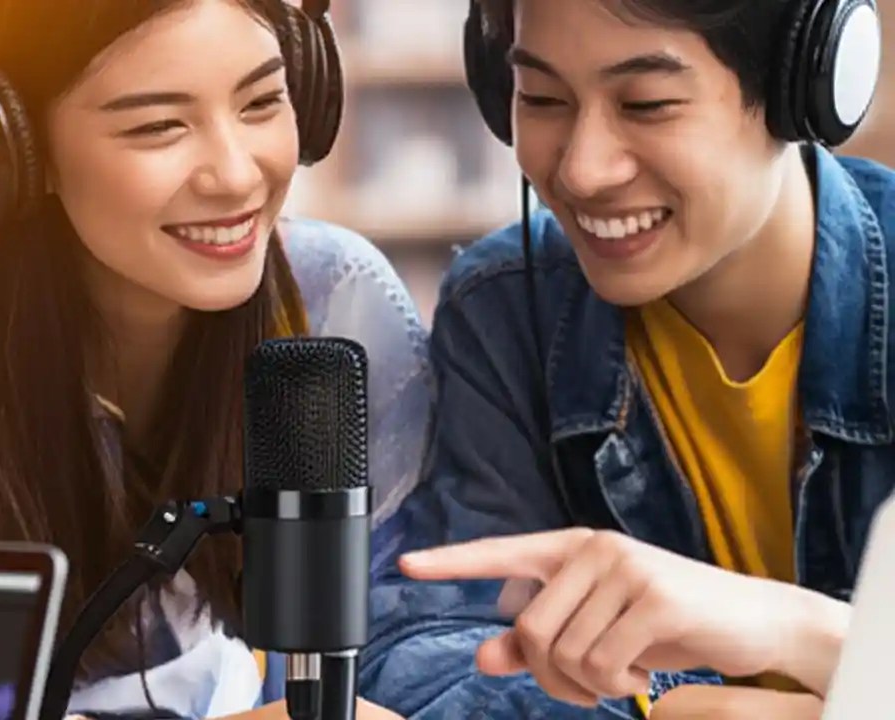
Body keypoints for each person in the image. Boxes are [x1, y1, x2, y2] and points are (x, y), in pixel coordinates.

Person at [0, 0, 428, 717]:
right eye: (158, 127)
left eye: (262, 101)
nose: (237, 175)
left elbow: (404, 641)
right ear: (9, 149)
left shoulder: (339, 305)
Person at [359, 0, 889, 717]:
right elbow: (426, 657)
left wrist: (812, 639)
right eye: (542, 99)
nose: (582, 170)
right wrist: (663, 709)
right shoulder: (507, 309)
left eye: (647, 104)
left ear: (806, 84)